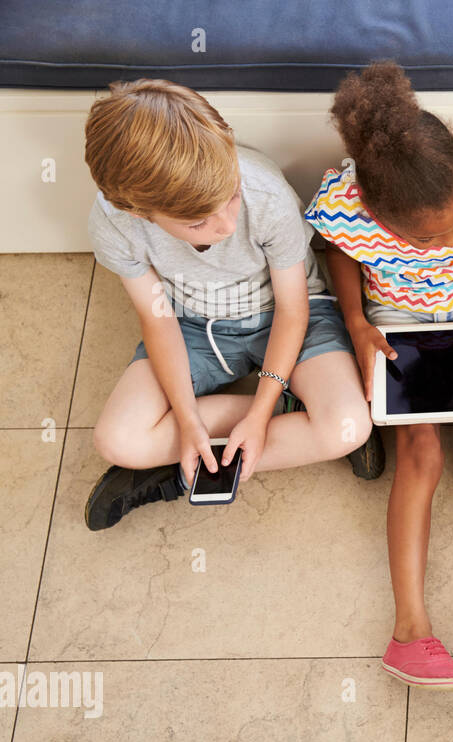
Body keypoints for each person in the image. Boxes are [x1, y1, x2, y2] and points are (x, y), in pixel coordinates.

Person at [305, 62, 453, 697]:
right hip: (396, 318)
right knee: (420, 452)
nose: (447, 241)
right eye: (426, 237)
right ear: (377, 209)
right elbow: (339, 254)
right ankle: (409, 629)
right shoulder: (343, 205)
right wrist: (354, 323)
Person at [84, 78, 377, 533]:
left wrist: (259, 413)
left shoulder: (264, 192)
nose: (227, 223)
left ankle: (196, 457)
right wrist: (185, 420)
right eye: (200, 221)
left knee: (349, 427)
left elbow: (294, 309)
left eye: (232, 196)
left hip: (288, 313)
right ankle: (276, 423)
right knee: (116, 440)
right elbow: (157, 319)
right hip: (191, 325)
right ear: (140, 213)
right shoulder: (115, 222)